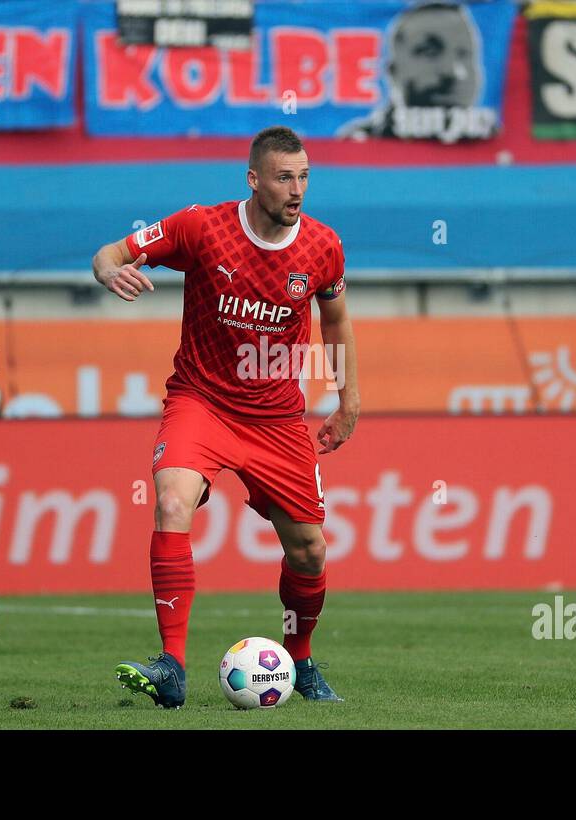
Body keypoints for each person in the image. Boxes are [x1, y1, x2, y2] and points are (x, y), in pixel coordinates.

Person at [91, 126, 360, 708]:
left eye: (305, 175)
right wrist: (109, 270)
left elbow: (335, 320)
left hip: (277, 419)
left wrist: (348, 399)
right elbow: (111, 252)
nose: (298, 189)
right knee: (169, 502)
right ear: (254, 179)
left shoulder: (322, 246)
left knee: (309, 550)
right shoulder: (200, 227)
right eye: (286, 177)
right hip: (202, 401)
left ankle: (302, 658)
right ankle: (172, 665)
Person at [335, 2, 494, 142]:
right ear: (392, 71)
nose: (453, 72)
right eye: (430, 52)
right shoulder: (362, 140)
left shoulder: (493, 133)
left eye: (464, 54)